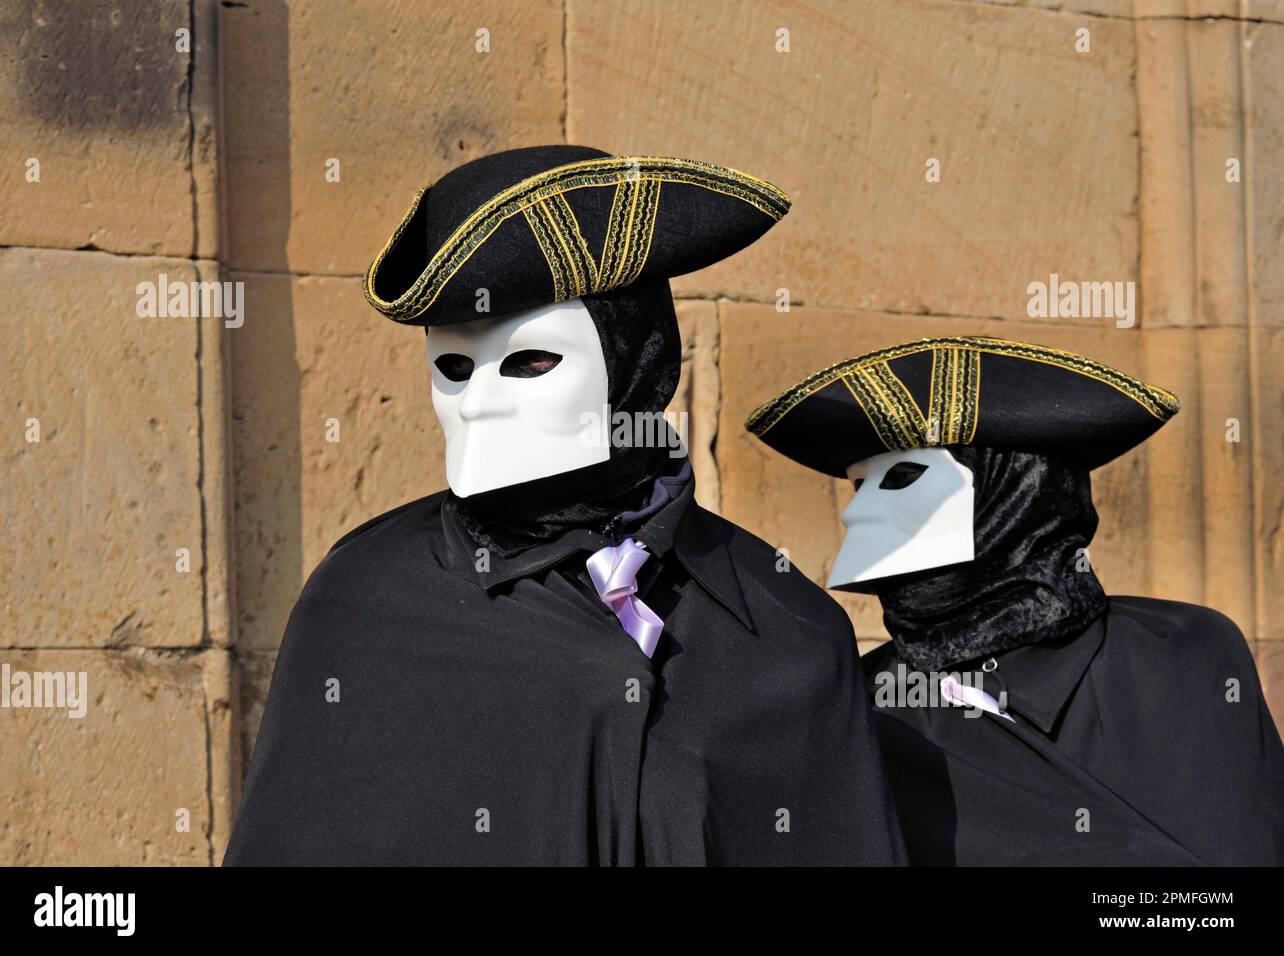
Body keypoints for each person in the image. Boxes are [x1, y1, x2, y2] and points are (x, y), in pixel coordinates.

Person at [224, 145, 904, 866]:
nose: (480, 402)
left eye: (529, 360)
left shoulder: (790, 632)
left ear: (635, 359)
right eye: (453, 368)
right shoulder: (367, 603)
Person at [747, 335, 1284, 865]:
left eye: (901, 478)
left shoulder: (1184, 649)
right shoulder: (857, 711)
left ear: (1016, 489)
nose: (853, 514)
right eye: (857, 487)